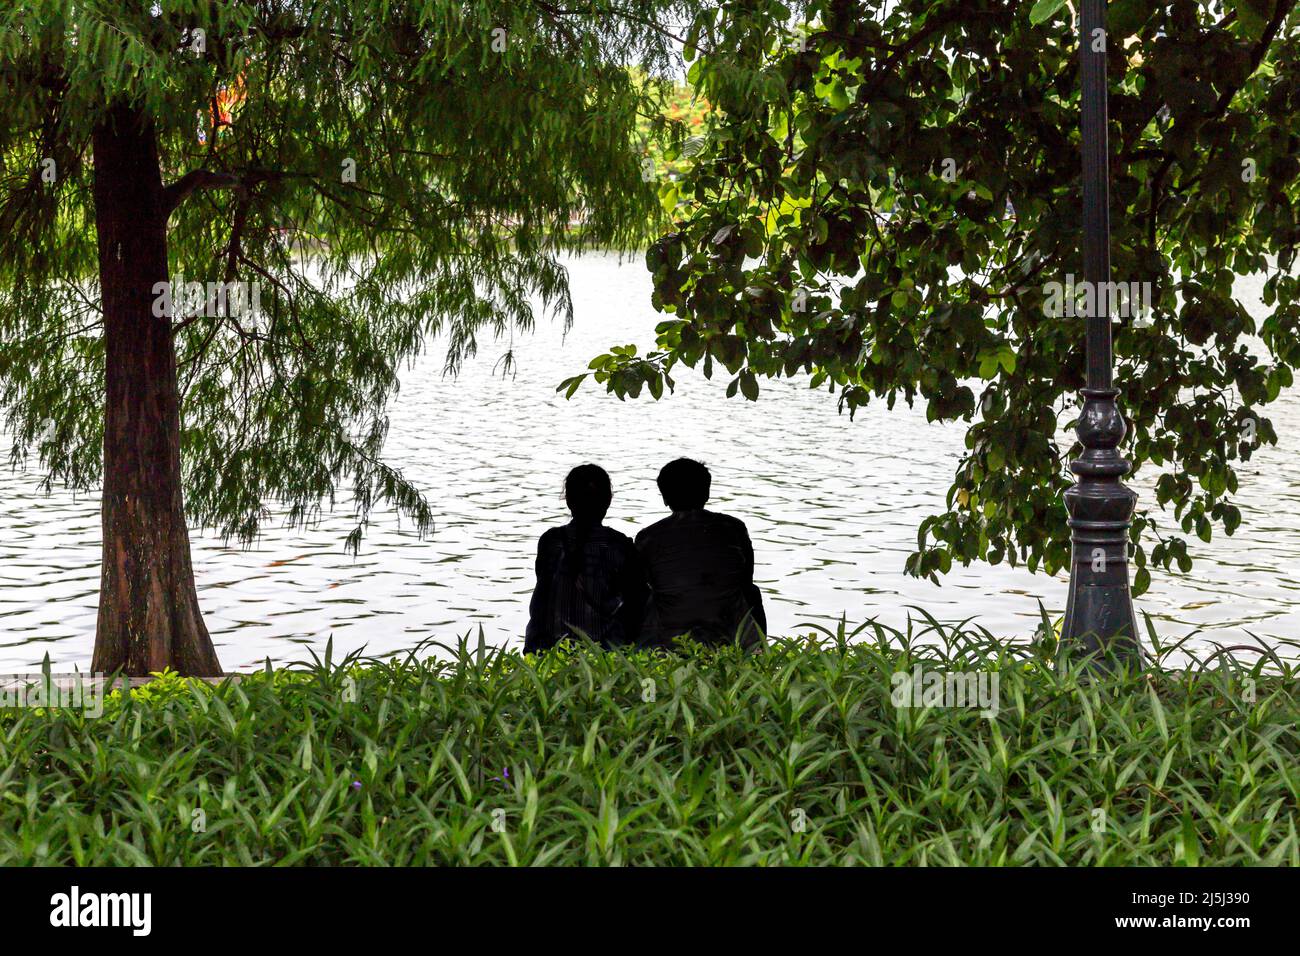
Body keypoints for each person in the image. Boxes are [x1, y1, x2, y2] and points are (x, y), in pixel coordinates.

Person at [635, 458, 766, 650]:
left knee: (645, 597)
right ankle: (758, 651)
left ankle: (648, 653)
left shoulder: (648, 537)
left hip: (669, 636)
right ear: (707, 493)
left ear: (665, 498)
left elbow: (641, 586)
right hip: (729, 632)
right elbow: (746, 580)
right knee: (750, 592)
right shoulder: (733, 528)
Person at [525, 464, 647, 653]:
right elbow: (637, 603)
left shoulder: (551, 541)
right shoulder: (619, 545)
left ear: (568, 501)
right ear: (608, 500)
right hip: (604, 654)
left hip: (547, 650)